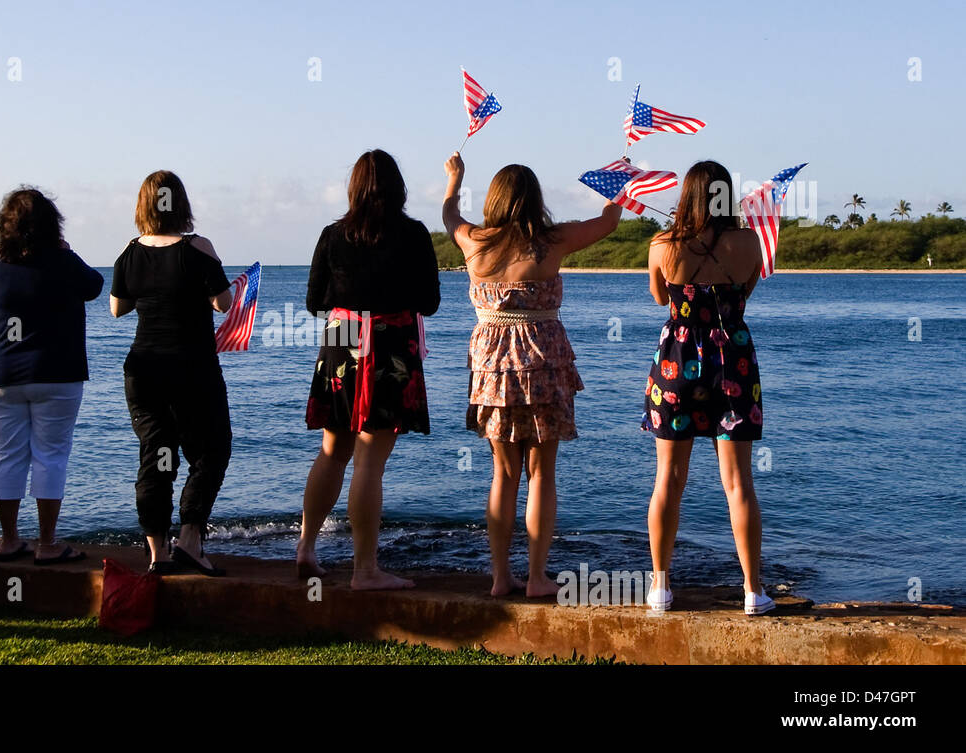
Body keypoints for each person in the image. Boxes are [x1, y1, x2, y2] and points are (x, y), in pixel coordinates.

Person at [442, 153, 621, 598]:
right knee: (541, 473)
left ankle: (501, 578)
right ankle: (537, 577)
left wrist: (455, 179)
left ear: (496, 200)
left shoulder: (474, 242)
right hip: (544, 360)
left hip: (492, 365)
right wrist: (619, 181)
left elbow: (449, 215)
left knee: (503, 474)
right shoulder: (551, 240)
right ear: (535, 200)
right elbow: (609, 221)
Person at [296, 149, 440, 591]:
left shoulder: (332, 234)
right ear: (398, 188)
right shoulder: (413, 234)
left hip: (341, 342)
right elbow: (430, 303)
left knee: (332, 450)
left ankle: (304, 549)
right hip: (390, 344)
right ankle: (365, 570)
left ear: (354, 188)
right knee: (369, 463)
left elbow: (314, 301)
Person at [641, 160, 774, 615]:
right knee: (739, 483)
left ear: (686, 197)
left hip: (677, 365)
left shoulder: (663, 243)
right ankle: (753, 591)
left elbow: (661, 298)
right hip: (731, 362)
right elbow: (743, 295)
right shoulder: (750, 242)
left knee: (668, 480)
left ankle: (660, 588)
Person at [111, 170, 234, 576]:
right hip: (192, 368)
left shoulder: (129, 252)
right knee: (210, 450)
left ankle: (157, 554)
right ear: (180, 204)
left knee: (157, 454)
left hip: (145, 370)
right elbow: (223, 304)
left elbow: (118, 308)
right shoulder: (198, 248)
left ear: (144, 206)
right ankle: (191, 539)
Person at [0, 186, 103, 565]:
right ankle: (47, 544)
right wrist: (66, 253)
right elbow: (95, 286)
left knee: (8, 456)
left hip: (3, 374)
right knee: (50, 456)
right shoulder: (62, 263)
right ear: (52, 224)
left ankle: (9, 540)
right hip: (56, 372)